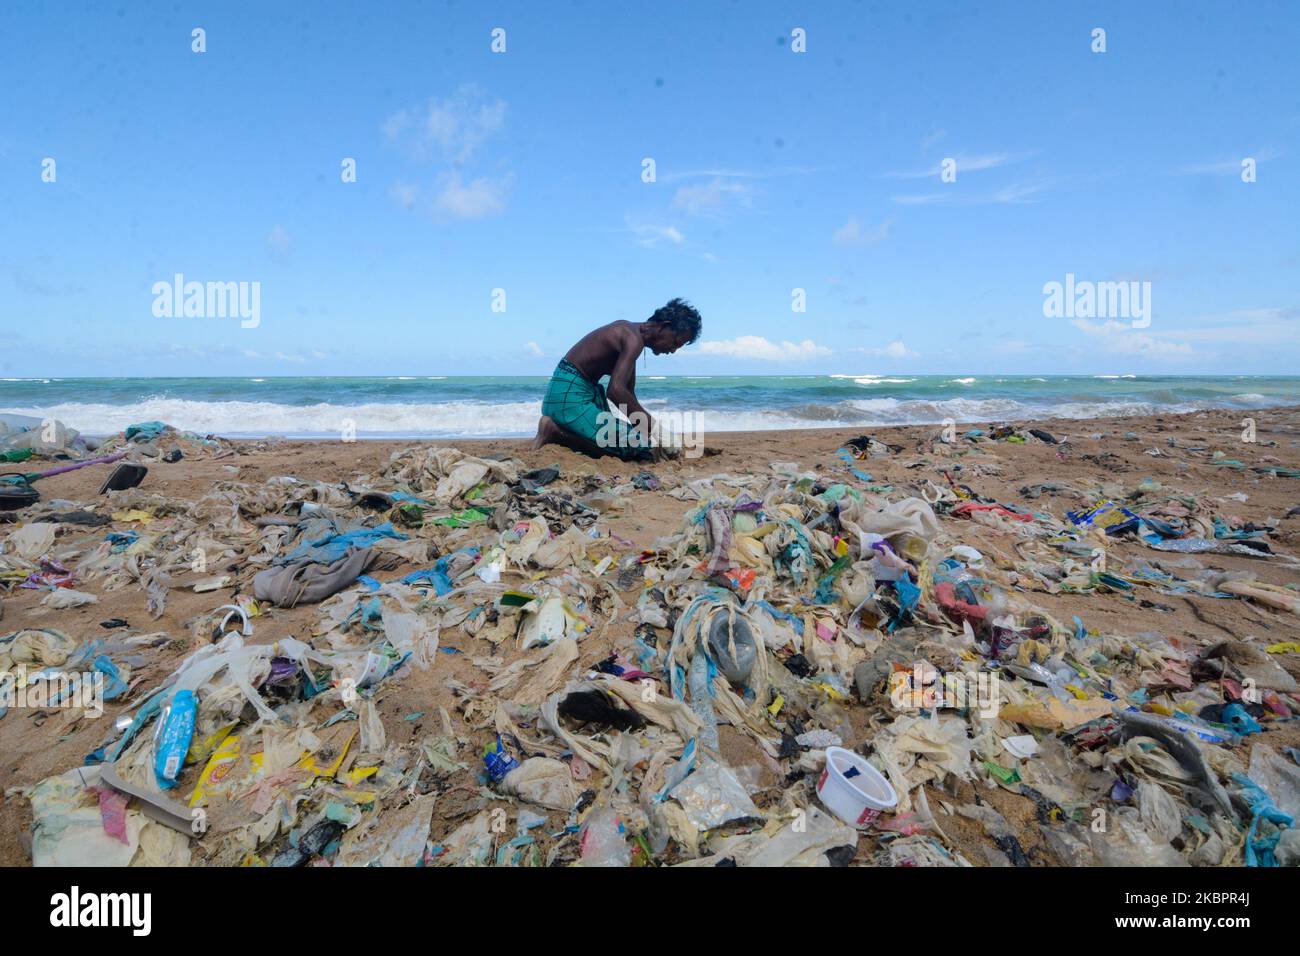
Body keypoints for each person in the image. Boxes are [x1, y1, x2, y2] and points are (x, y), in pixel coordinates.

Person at [533, 298, 702, 458]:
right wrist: (658, 431)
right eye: (676, 342)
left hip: (563, 394)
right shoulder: (632, 339)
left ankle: (562, 429)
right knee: (636, 447)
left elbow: (627, 394)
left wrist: (644, 429)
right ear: (664, 327)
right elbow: (615, 391)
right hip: (569, 398)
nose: (672, 350)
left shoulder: (632, 334)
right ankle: (555, 432)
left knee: (637, 439)